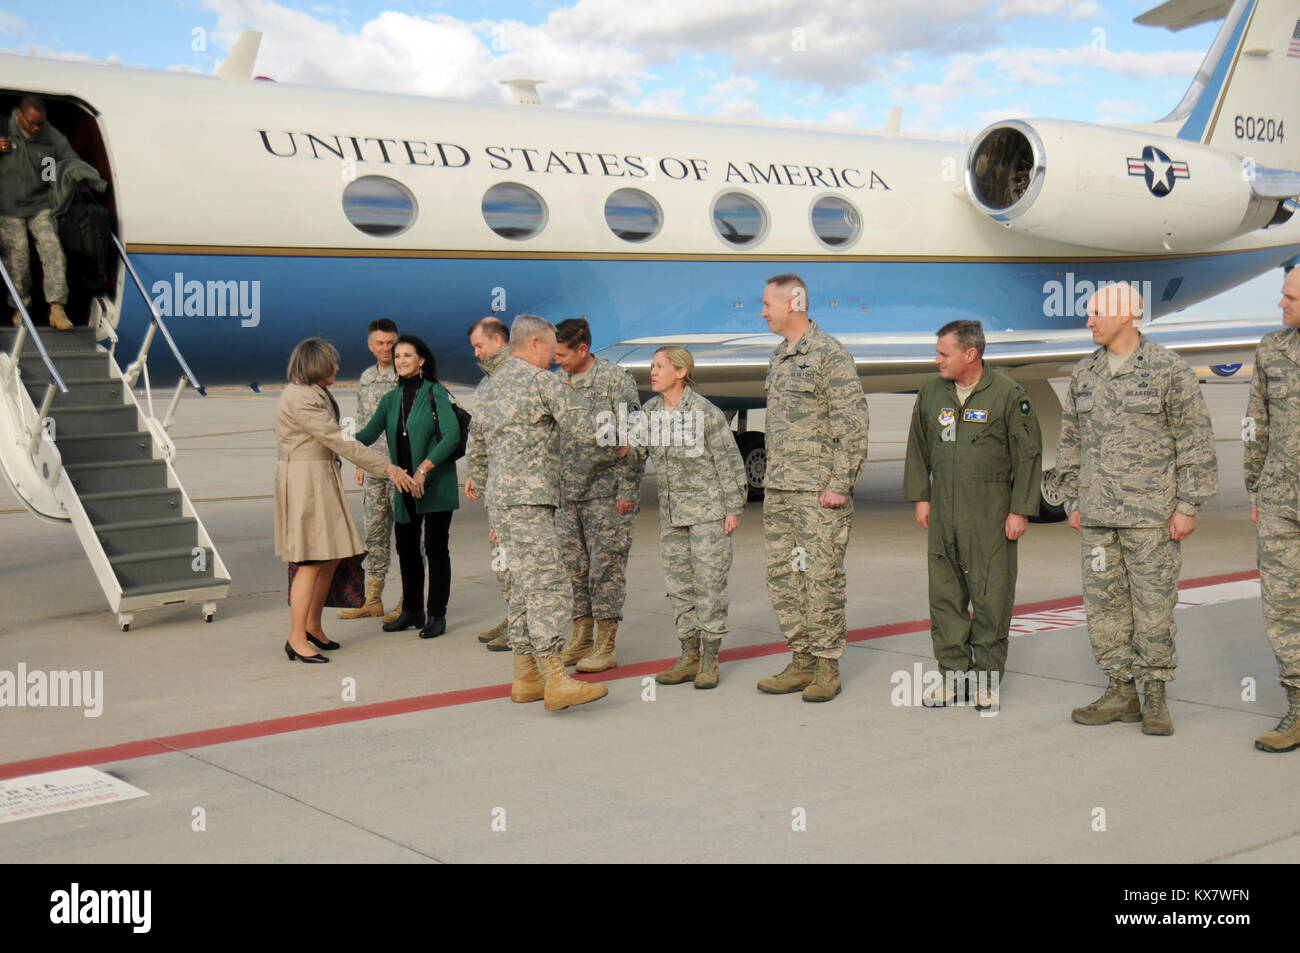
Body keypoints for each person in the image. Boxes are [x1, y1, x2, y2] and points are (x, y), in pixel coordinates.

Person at [1052, 283, 1217, 735]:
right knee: (1104, 606)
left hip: (1151, 517)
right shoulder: (1085, 374)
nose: (1089, 321)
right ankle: (1120, 689)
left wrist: (1188, 504)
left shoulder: (1168, 370)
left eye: (1097, 313)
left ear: (1127, 316)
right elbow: (1071, 444)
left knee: (1154, 606)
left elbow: (1194, 440)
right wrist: (1073, 500)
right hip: (1098, 516)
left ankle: (1156, 696)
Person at [465, 314, 625, 712]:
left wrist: (487, 495)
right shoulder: (544, 383)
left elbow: (478, 449)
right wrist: (624, 437)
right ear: (534, 343)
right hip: (531, 501)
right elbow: (585, 428)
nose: (555, 354)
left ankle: (526, 676)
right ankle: (555, 677)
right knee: (548, 588)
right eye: (551, 346)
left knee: (521, 589)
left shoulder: (488, 387)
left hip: (502, 502)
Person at [903, 320, 1042, 711]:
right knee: (945, 596)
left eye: (944, 354)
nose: (937, 361)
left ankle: (985, 681)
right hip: (943, 509)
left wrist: (1020, 510)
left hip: (990, 511)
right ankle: (952, 676)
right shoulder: (932, 393)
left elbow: (1028, 456)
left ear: (971, 354)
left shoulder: (1008, 396)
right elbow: (918, 444)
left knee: (990, 596)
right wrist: (921, 497)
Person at [756, 273, 869, 702]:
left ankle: (826, 665)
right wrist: (772, 482)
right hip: (783, 490)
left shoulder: (829, 355)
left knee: (821, 577)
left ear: (794, 303)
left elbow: (853, 423)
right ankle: (800, 658)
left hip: (819, 493)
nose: (763, 311)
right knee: (785, 576)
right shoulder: (779, 357)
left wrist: (840, 483)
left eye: (769, 303)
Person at [274, 338, 415, 663]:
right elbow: (338, 441)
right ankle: (296, 639)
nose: (337, 367)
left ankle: (311, 626)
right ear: (315, 365)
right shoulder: (301, 398)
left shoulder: (311, 392)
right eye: (331, 363)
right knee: (310, 561)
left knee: (331, 556)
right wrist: (387, 468)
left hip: (319, 478)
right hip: (306, 482)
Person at [642, 346, 747, 690]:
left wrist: (733, 508)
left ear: (681, 372)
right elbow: (631, 453)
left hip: (708, 514)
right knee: (679, 588)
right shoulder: (650, 412)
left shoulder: (705, 412)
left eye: (659, 366)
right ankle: (688, 656)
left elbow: (729, 461)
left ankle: (710, 658)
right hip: (672, 517)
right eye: (653, 366)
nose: (653, 372)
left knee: (709, 587)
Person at [552, 317, 644, 673]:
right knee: (575, 569)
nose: (557, 359)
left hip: (606, 493)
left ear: (583, 349)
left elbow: (635, 438)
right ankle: (581, 636)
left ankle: (606, 644)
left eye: (563, 354)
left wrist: (628, 490)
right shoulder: (559, 381)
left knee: (604, 571)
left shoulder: (613, 381)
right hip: (568, 494)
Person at [354, 335, 460, 639]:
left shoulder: (435, 393)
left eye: (407, 356)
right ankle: (413, 610)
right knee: (407, 550)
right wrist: (334, 437)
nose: (400, 360)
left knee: (436, 549)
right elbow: (367, 434)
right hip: (404, 486)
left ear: (421, 360)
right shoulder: (390, 400)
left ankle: (436, 613)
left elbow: (451, 436)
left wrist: (424, 469)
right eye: (397, 356)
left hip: (434, 484)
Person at [1244, 267, 1300, 753]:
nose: (1282, 305)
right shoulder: (1272, 349)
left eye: (1291, 298)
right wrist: (1256, 492)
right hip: (1282, 499)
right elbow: (1256, 424)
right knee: (1283, 607)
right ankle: (1298, 709)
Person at [0, 95, 103, 330]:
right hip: (7, 208)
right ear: (21, 116)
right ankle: (20, 310)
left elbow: (68, 159)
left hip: (39, 205)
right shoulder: (4, 128)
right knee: (18, 256)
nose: (37, 128)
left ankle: (57, 309)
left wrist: (83, 177)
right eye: (32, 123)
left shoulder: (50, 136)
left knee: (53, 250)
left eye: (40, 123)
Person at [338, 319, 401, 622]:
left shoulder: (408, 373)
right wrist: (360, 460)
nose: (386, 349)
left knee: (406, 536)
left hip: (402, 470)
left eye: (391, 342)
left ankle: (409, 599)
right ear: (370, 345)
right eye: (380, 343)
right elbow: (363, 421)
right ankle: (373, 598)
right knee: (375, 534)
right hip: (375, 468)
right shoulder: (366, 378)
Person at [467, 316, 514, 651]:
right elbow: (480, 436)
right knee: (501, 557)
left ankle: (522, 625)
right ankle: (514, 615)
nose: (476, 353)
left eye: (479, 346)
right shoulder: (488, 385)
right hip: (497, 486)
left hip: (518, 489)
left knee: (515, 559)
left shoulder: (517, 380)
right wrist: (477, 473)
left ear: (499, 341)